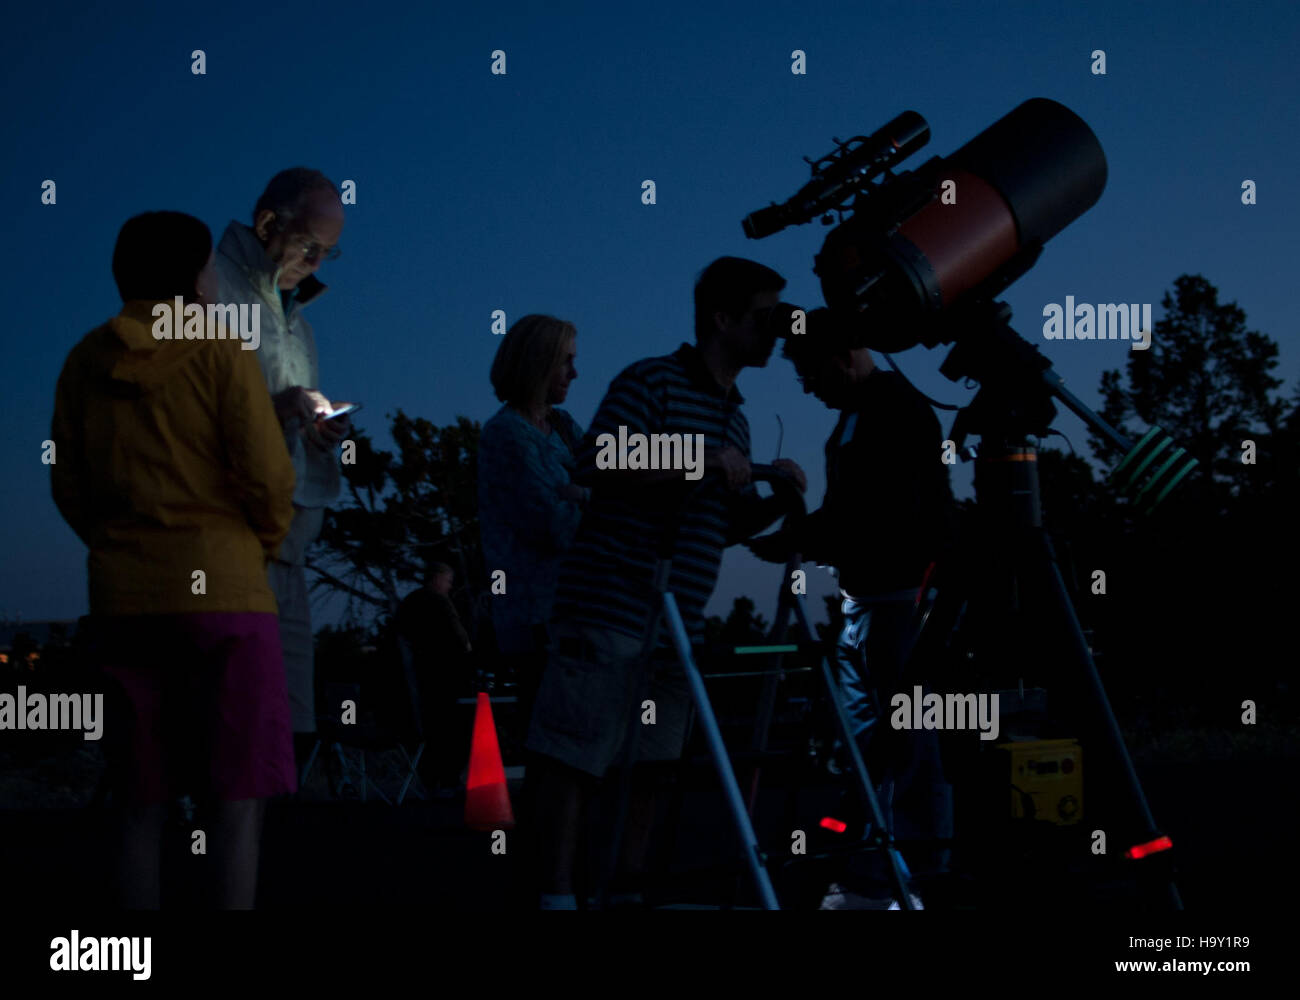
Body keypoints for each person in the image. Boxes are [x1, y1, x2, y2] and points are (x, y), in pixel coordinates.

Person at [525, 257, 807, 909]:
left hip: (678, 622)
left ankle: (624, 890)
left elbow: (717, 519)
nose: (777, 333)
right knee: (573, 759)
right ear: (722, 318)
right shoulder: (651, 380)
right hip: (610, 602)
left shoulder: (736, 418)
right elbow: (599, 457)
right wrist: (699, 457)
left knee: (652, 765)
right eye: (766, 319)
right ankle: (556, 898)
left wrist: (771, 495)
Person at [50, 211, 297, 908]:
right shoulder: (218, 351)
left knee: (139, 797)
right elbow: (268, 476)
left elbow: (69, 484)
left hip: (126, 601)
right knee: (236, 797)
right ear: (194, 279)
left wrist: (121, 547)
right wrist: (259, 546)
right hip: (228, 599)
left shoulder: (84, 360)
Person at [750, 306, 958, 909]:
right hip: (864, 603)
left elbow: (879, 513)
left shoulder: (897, 411)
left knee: (909, 742)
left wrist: (800, 537)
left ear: (845, 354)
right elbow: (852, 514)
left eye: (813, 373)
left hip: (901, 602)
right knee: (869, 742)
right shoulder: (852, 418)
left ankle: (916, 872)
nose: (809, 387)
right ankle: (873, 868)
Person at [214, 168, 349, 770]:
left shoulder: (302, 324)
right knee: (232, 727)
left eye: (329, 252)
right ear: (269, 224)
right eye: (310, 248)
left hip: (290, 544)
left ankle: (261, 860)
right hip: (229, 542)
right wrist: (272, 410)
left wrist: (320, 435)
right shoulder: (210, 287)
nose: (319, 264)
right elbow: (183, 414)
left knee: (287, 731)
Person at [477, 314, 585, 747]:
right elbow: (554, 524)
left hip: (572, 612)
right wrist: (583, 497)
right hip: (537, 619)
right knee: (553, 743)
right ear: (538, 364)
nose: (574, 374)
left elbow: (606, 483)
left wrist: (579, 493)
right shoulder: (506, 435)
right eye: (565, 362)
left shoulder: (563, 426)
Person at [394, 562, 474, 792]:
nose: (449, 587)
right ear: (437, 578)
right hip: (443, 678)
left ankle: (431, 777)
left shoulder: (409, 603)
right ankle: (448, 777)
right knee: (450, 728)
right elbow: (459, 639)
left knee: (430, 729)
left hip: (419, 681)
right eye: (448, 581)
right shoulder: (438, 602)